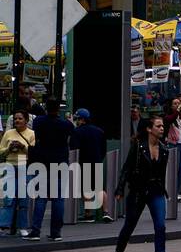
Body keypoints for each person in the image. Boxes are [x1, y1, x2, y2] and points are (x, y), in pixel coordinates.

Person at [112, 116, 176, 252]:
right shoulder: (138, 147)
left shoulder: (164, 150)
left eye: (162, 126)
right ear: (149, 129)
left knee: (160, 225)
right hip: (138, 191)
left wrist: (164, 191)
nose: (162, 128)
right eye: (158, 126)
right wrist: (120, 189)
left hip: (156, 191)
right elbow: (127, 168)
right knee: (129, 226)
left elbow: (161, 174)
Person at [26, 101, 76, 242]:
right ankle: (56, 233)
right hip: (60, 162)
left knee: (41, 199)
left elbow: (35, 134)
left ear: (46, 108)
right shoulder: (66, 124)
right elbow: (72, 135)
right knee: (58, 199)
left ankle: (36, 231)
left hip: (43, 162)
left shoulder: (39, 121)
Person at [1, 110, 36, 235]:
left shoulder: (32, 134)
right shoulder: (8, 133)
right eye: (15, 119)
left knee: (23, 199)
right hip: (10, 165)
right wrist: (8, 149)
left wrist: (23, 146)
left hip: (24, 166)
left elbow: (34, 153)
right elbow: (1, 152)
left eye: (20, 118)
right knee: (8, 198)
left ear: (26, 120)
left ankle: (23, 227)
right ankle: (4, 226)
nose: (17, 121)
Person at [72, 108, 110, 222]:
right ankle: (105, 212)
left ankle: (88, 214)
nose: (76, 121)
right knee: (100, 188)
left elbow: (74, 149)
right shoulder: (99, 131)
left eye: (77, 119)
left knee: (86, 189)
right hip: (97, 161)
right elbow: (104, 149)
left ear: (82, 119)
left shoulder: (77, 132)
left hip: (83, 162)